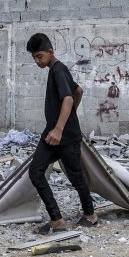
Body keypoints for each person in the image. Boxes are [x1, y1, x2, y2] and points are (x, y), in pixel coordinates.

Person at [25, 32, 97, 233]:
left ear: (50, 52)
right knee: (36, 171)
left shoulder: (58, 71)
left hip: (63, 136)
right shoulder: (58, 70)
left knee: (75, 176)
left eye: (39, 56)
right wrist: (66, 119)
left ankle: (90, 215)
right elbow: (78, 91)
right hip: (53, 135)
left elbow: (68, 98)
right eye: (34, 58)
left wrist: (60, 128)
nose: (37, 61)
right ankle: (56, 219)